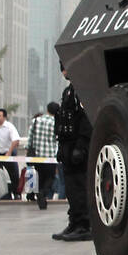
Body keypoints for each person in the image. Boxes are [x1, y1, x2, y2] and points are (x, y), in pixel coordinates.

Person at [53, 62, 92, 241]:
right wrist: (62, 148)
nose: (64, 72)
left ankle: (84, 224)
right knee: (70, 187)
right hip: (67, 144)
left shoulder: (82, 90)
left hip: (79, 145)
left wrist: (81, 146)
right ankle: (74, 222)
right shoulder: (69, 91)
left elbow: (86, 120)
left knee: (79, 186)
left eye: (65, 67)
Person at [27, 103, 58, 210]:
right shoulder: (56, 123)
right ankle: (43, 193)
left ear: (47, 109)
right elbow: (58, 140)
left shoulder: (36, 121)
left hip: (37, 155)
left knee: (40, 176)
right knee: (50, 177)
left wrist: (28, 149)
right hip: (50, 156)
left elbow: (30, 138)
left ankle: (40, 195)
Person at [0, 108, 20, 199]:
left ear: (4, 117)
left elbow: (15, 140)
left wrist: (9, 152)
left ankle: (16, 192)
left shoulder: (9, 126)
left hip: (8, 153)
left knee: (14, 174)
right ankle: (2, 194)